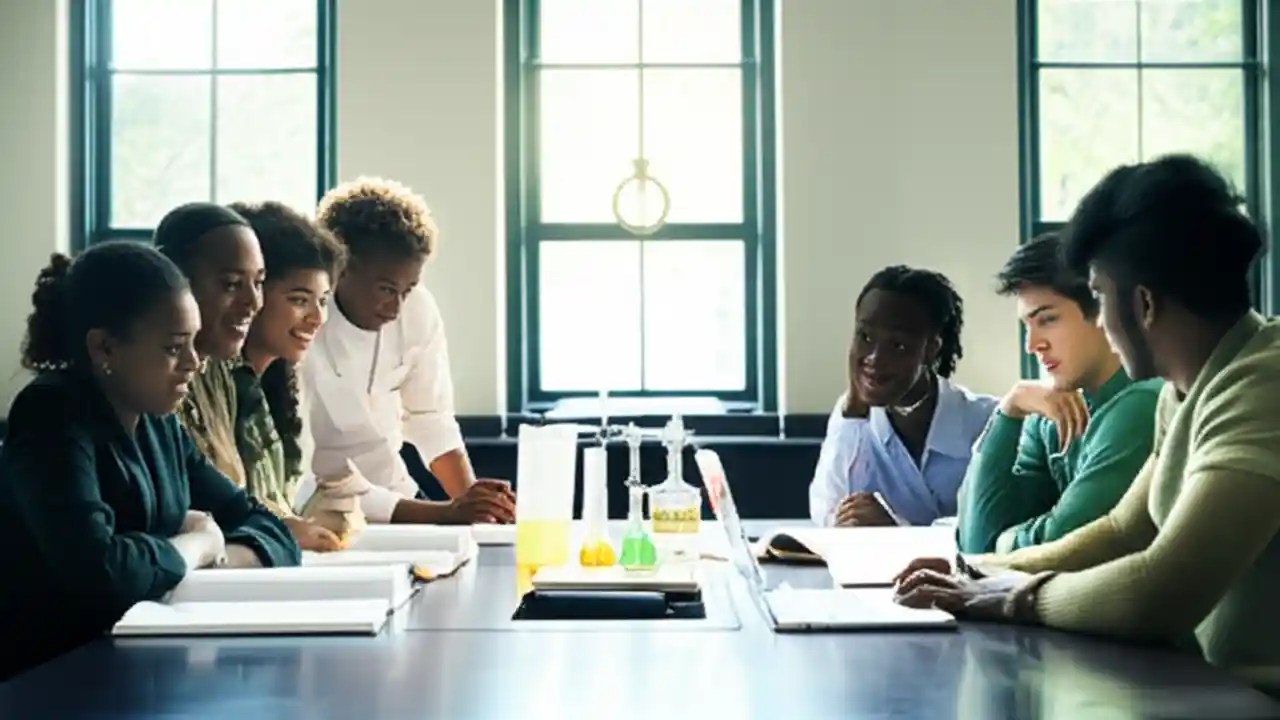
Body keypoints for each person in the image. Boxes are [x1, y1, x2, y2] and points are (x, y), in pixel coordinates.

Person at [894, 155, 1280, 694]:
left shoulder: (1263, 385)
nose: (1099, 320)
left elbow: (1164, 590)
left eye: (1097, 296)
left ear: (1144, 304)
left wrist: (1012, 597)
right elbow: (1124, 529)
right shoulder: (1189, 389)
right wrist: (977, 572)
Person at [0, 243, 299, 680]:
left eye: (193, 345)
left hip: (137, 664)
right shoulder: (51, 415)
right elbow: (100, 573)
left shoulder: (159, 424)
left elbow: (272, 530)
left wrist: (213, 554)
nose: (193, 363)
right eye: (174, 348)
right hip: (48, 676)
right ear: (104, 348)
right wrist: (194, 546)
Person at [302, 177, 514, 525]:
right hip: (323, 514)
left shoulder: (418, 309)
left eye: (408, 289)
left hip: (401, 500)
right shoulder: (302, 328)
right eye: (386, 289)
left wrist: (477, 513)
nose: (396, 307)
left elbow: (432, 420)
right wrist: (449, 513)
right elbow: (307, 483)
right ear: (341, 268)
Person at [955, 234, 1161, 553]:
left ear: (1103, 310)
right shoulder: (1052, 411)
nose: (1033, 344)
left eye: (1048, 320)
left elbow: (1063, 545)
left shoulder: (1143, 404)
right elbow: (975, 543)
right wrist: (1009, 411)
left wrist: (1004, 542)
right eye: (1027, 326)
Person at [808, 266, 998, 527]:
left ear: (931, 350)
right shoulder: (853, 417)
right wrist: (853, 410)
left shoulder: (986, 421)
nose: (874, 358)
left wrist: (897, 530)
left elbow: (993, 531)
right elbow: (827, 516)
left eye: (897, 345)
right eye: (864, 337)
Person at [227, 200, 363, 549]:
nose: (318, 318)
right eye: (300, 300)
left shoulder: (276, 382)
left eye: (323, 300)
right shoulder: (207, 386)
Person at [153, 202, 265, 494]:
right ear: (176, 280)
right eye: (231, 284)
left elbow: (230, 503)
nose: (253, 302)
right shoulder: (148, 385)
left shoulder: (217, 372)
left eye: (259, 282)